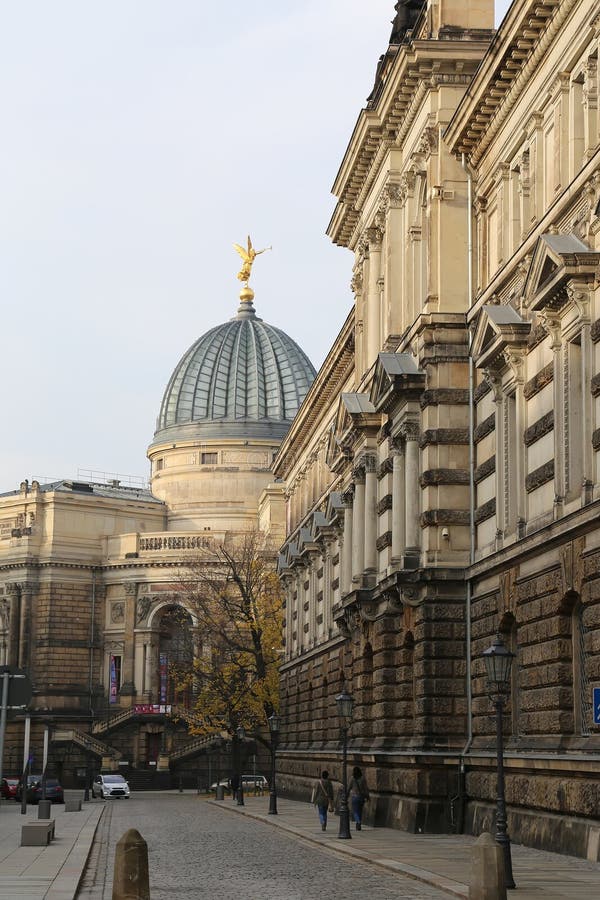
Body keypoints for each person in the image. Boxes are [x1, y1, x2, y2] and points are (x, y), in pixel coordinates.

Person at [348, 765, 369, 830]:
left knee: (355, 811)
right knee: (360, 811)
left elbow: (349, 787)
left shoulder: (352, 778)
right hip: (361, 797)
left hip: (355, 797)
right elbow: (366, 788)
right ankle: (358, 824)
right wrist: (367, 796)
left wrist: (346, 794)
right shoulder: (363, 778)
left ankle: (358, 822)